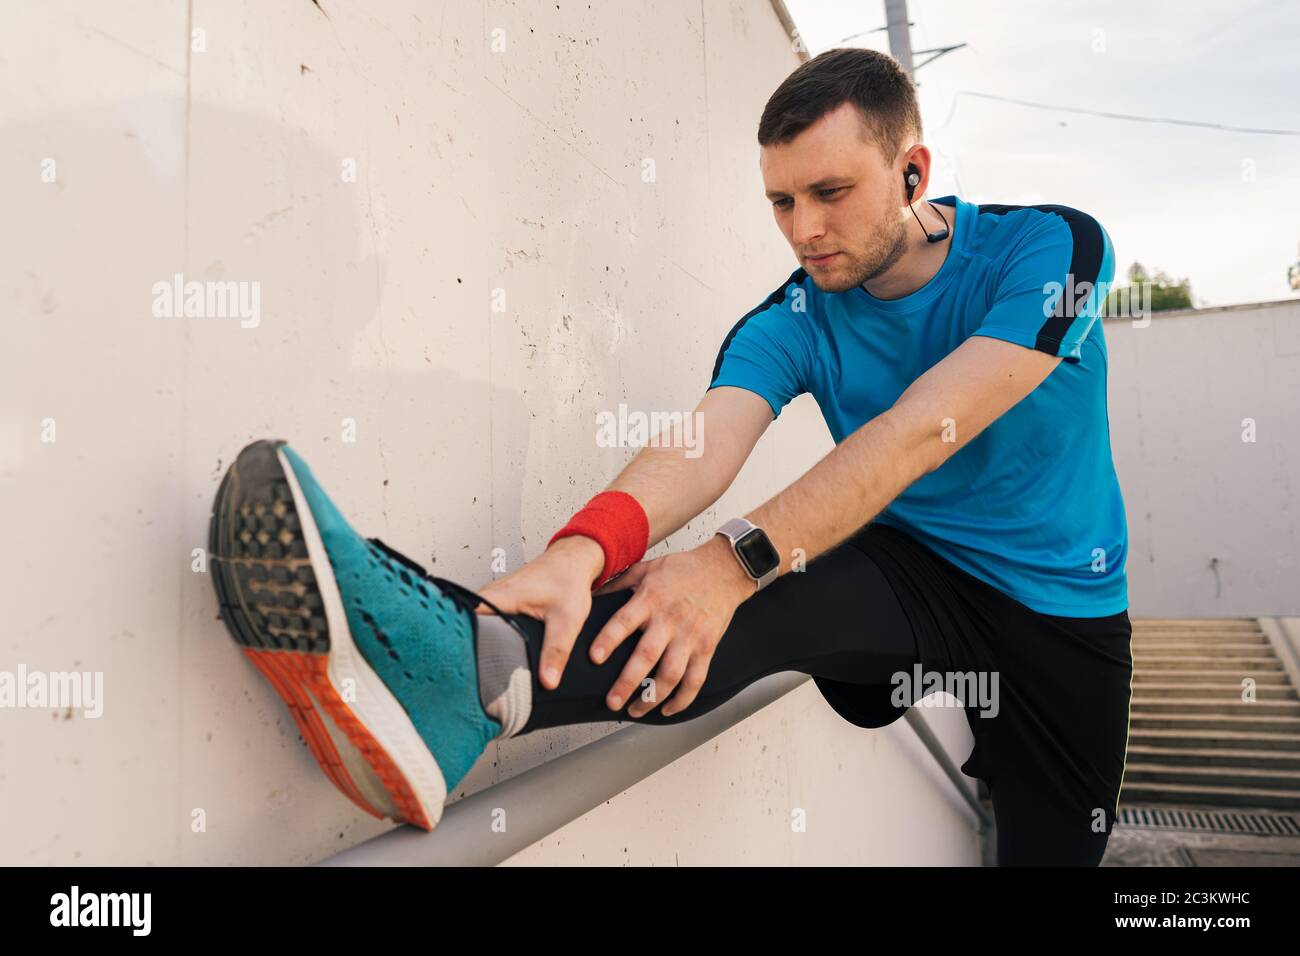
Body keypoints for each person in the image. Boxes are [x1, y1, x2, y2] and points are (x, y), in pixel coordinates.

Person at [209, 47, 1131, 866]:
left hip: (1065, 610)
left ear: (911, 171)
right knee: (725, 608)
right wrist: (583, 552)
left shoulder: (1049, 249)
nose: (803, 229)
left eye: (831, 193)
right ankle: (468, 675)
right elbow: (703, 444)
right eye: (781, 201)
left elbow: (917, 432)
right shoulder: (796, 314)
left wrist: (729, 559)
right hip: (917, 573)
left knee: (1049, 848)